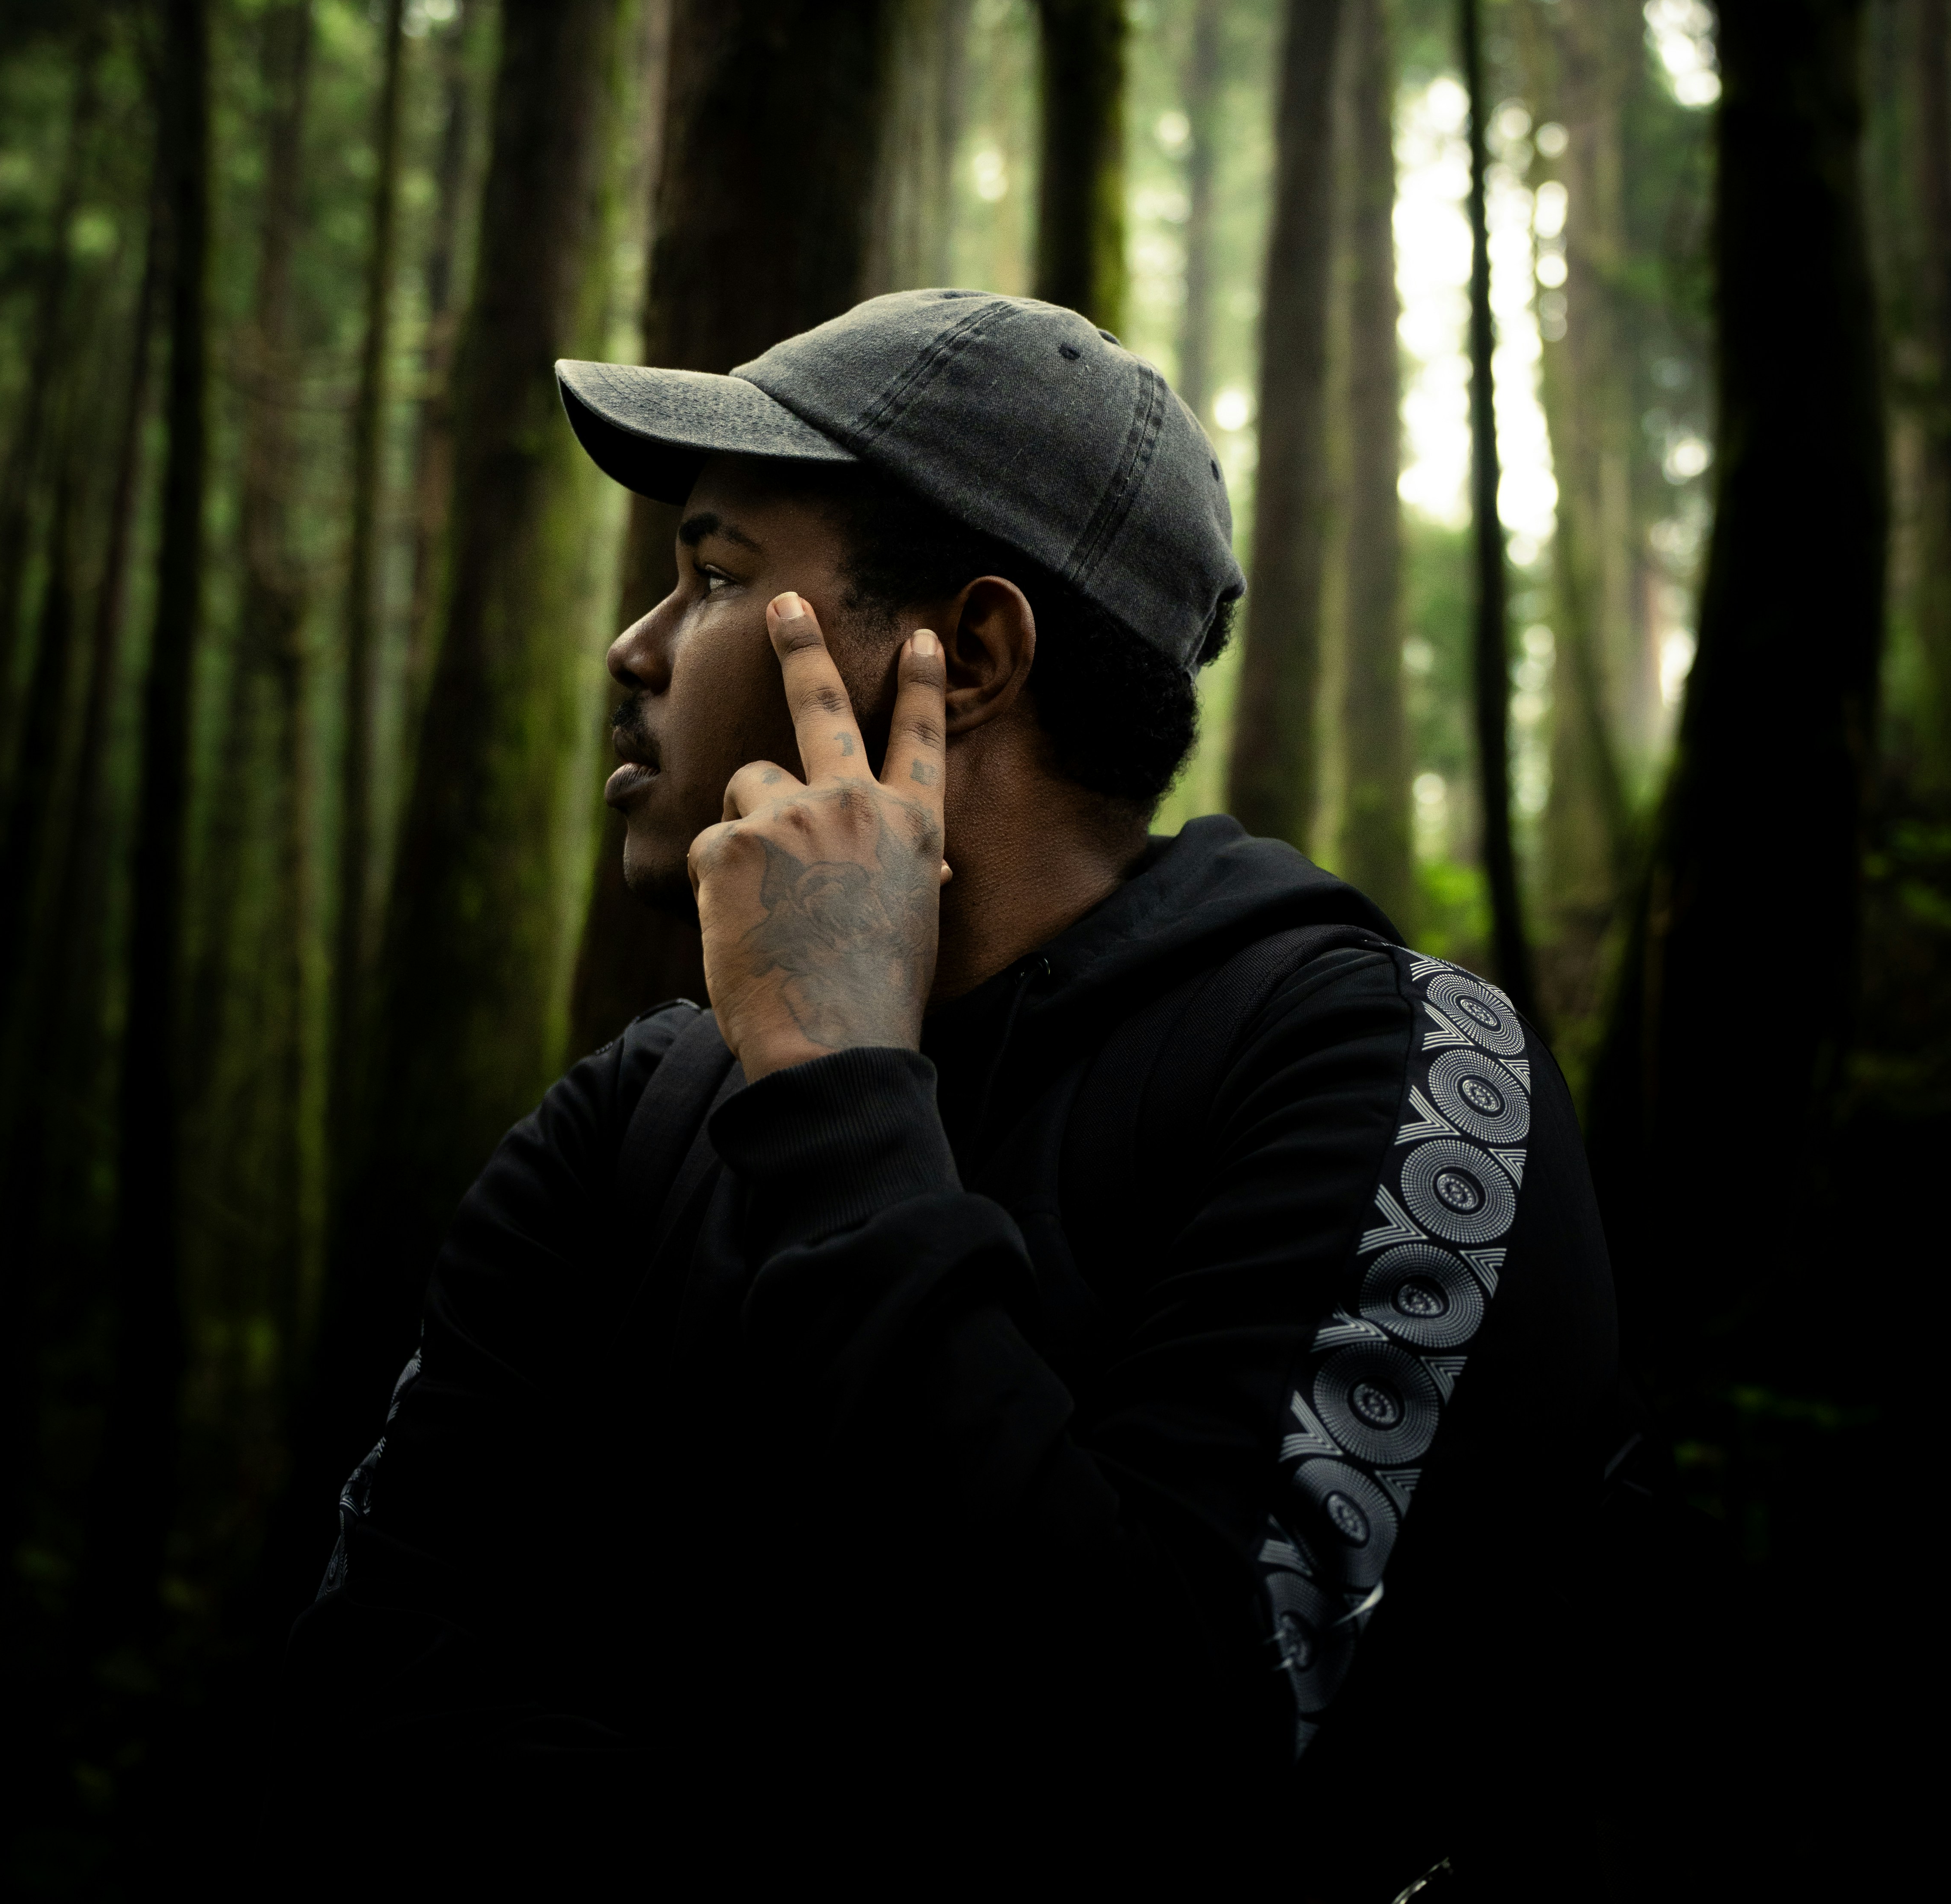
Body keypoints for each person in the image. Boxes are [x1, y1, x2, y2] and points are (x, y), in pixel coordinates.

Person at [288, 288, 1618, 1897]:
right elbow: (365, 1713)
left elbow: (1178, 1777)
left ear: (966, 655)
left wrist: (848, 1093)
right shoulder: (627, 1117)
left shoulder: (1393, 1077)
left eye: (714, 574)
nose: (632, 652)